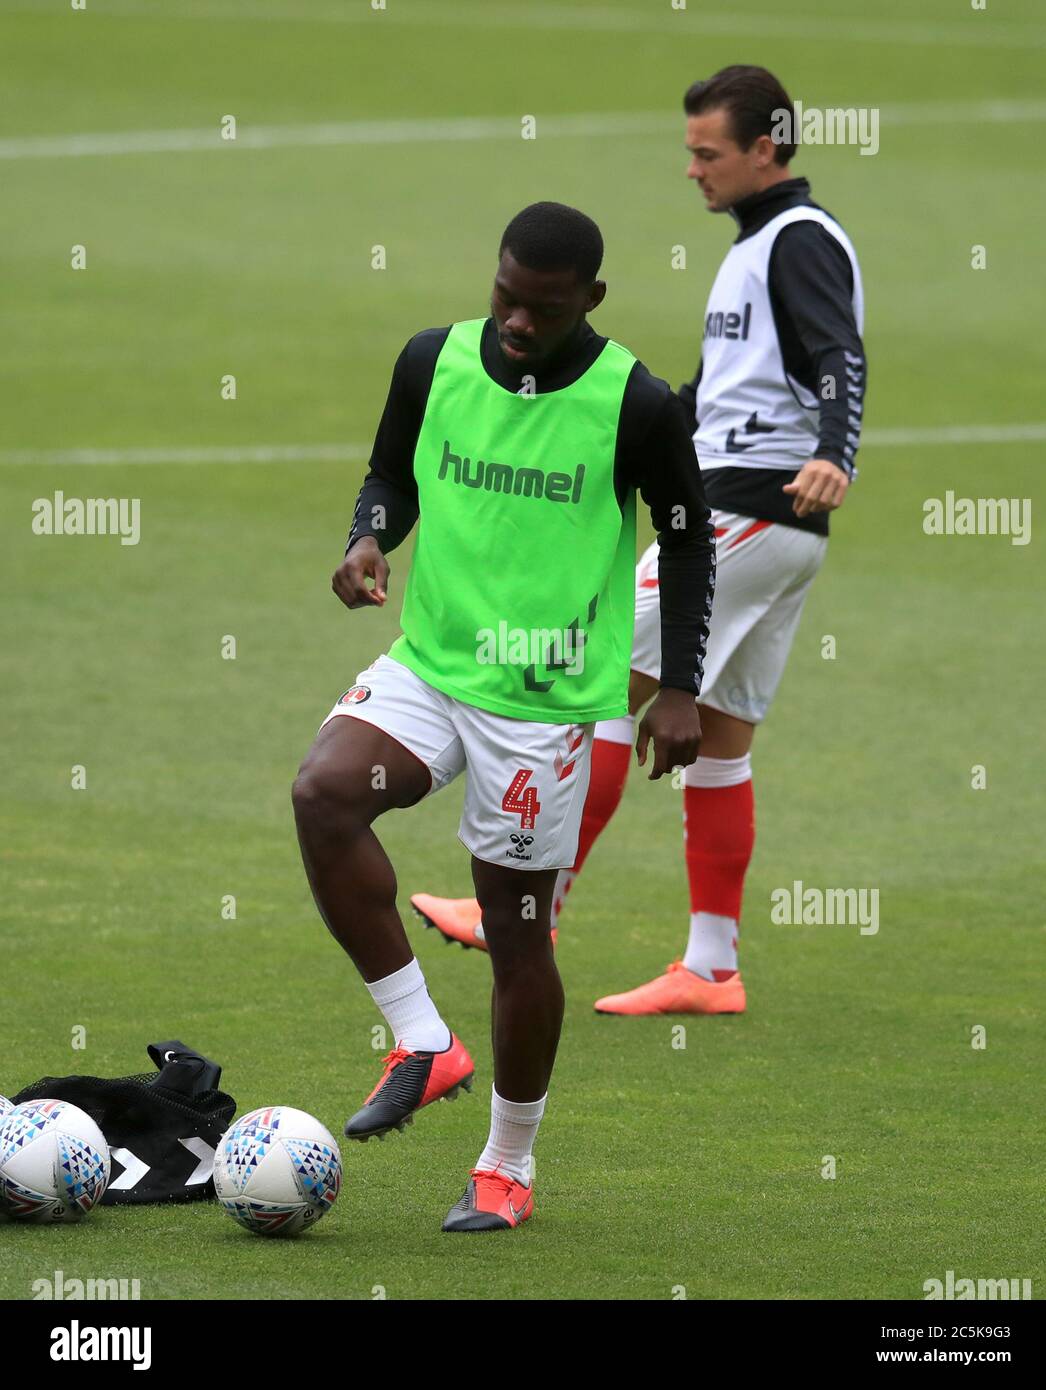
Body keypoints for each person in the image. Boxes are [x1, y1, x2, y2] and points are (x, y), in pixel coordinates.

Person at [292, 201, 714, 1231]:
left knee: (520, 938)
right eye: (506, 298)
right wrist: (367, 539)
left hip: (543, 707)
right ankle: (423, 1041)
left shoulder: (635, 404)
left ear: (589, 302)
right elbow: (391, 474)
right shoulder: (431, 360)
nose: (518, 322)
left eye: (544, 307)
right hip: (434, 665)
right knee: (323, 793)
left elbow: (690, 538)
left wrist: (681, 689)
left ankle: (507, 1164)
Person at [412, 66, 867, 1019]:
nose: (693, 170)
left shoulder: (799, 241)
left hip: (750, 505)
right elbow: (709, 393)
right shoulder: (755, 249)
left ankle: (526, 914)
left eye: (707, 153)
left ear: (765, 149)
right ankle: (709, 969)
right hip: (783, 530)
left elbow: (837, 354)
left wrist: (836, 449)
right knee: (720, 742)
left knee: (601, 681)